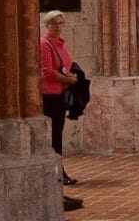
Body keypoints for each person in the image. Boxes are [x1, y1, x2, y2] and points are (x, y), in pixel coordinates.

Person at [39, 11, 84, 185]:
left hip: (60, 94)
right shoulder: (44, 44)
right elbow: (47, 72)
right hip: (50, 95)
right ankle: (58, 173)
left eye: (60, 23)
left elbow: (66, 65)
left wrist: (73, 76)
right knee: (54, 135)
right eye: (54, 23)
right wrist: (68, 80)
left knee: (57, 134)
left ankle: (59, 171)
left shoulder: (60, 43)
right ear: (46, 25)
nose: (58, 27)